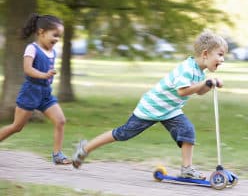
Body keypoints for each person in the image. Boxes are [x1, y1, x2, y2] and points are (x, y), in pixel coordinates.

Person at [72, 30, 228, 179]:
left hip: (170, 110)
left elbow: (199, 91)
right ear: (205, 54)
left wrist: (209, 85)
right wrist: (205, 82)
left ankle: (187, 169)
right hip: (151, 107)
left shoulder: (200, 72)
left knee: (187, 130)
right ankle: (85, 148)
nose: (222, 59)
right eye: (220, 55)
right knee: (123, 133)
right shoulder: (187, 68)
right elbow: (182, 91)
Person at [0, 13, 71, 165]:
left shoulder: (53, 51)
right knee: (17, 127)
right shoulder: (31, 48)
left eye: (59, 36)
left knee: (60, 121)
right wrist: (44, 75)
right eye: (55, 35)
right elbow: (27, 69)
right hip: (30, 92)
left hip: (45, 93)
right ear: (41, 32)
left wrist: (48, 76)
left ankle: (57, 155)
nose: (57, 39)